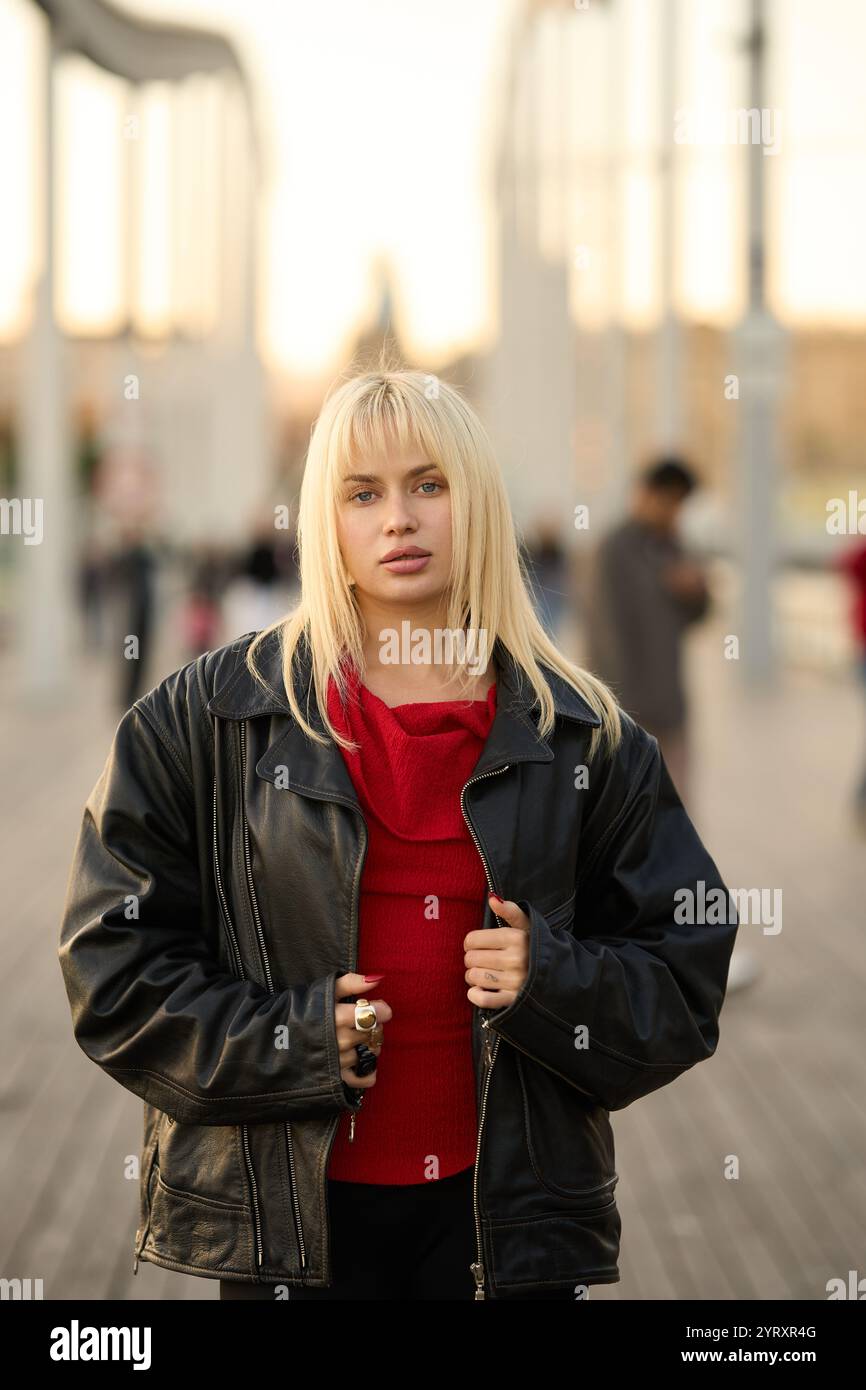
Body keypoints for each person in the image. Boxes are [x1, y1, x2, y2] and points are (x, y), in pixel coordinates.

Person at [58, 370, 739, 1301]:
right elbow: (111, 963)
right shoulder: (206, 719)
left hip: (504, 1230)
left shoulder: (584, 734)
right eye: (362, 493)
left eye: (429, 484)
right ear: (324, 519)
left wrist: (552, 979)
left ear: (478, 503)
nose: (399, 520)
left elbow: (686, 969)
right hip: (291, 1233)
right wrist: (291, 1042)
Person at [584, 457, 710, 804]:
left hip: (670, 705)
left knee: (675, 814)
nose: (675, 513)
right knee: (630, 814)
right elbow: (604, 636)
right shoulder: (613, 550)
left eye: (680, 505)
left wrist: (696, 590)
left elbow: (698, 616)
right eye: (670, 502)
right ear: (646, 495)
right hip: (627, 712)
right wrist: (618, 716)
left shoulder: (675, 547)